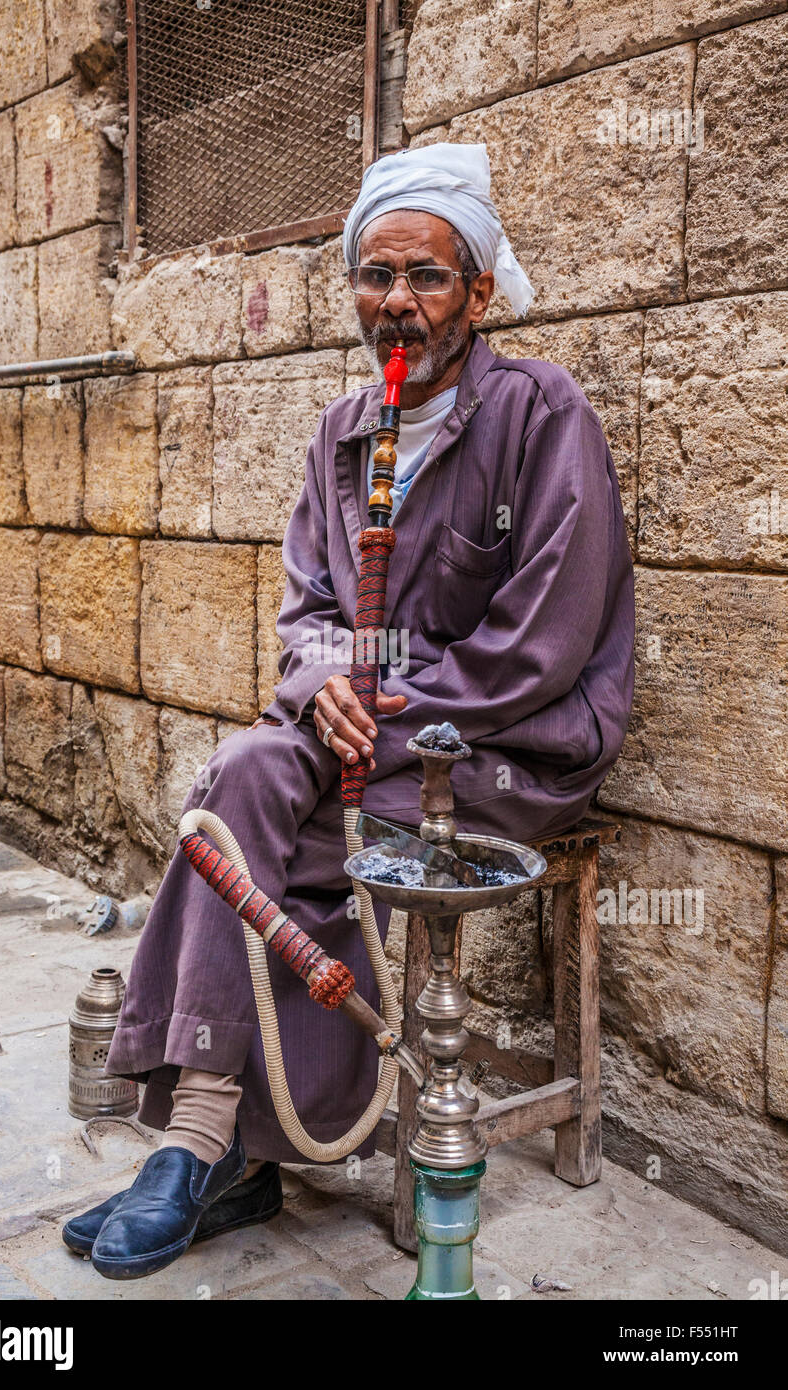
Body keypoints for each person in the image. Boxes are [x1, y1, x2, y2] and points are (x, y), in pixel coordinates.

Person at [62, 142, 634, 1281]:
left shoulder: (538, 411)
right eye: (375, 276)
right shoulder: (341, 433)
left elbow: (543, 640)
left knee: (293, 829)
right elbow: (309, 604)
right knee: (235, 787)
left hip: (501, 746)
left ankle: (210, 1144)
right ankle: (211, 1141)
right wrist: (320, 675)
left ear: (477, 292)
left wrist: (375, 694)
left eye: (425, 277)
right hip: (362, 736)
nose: (397, 304)